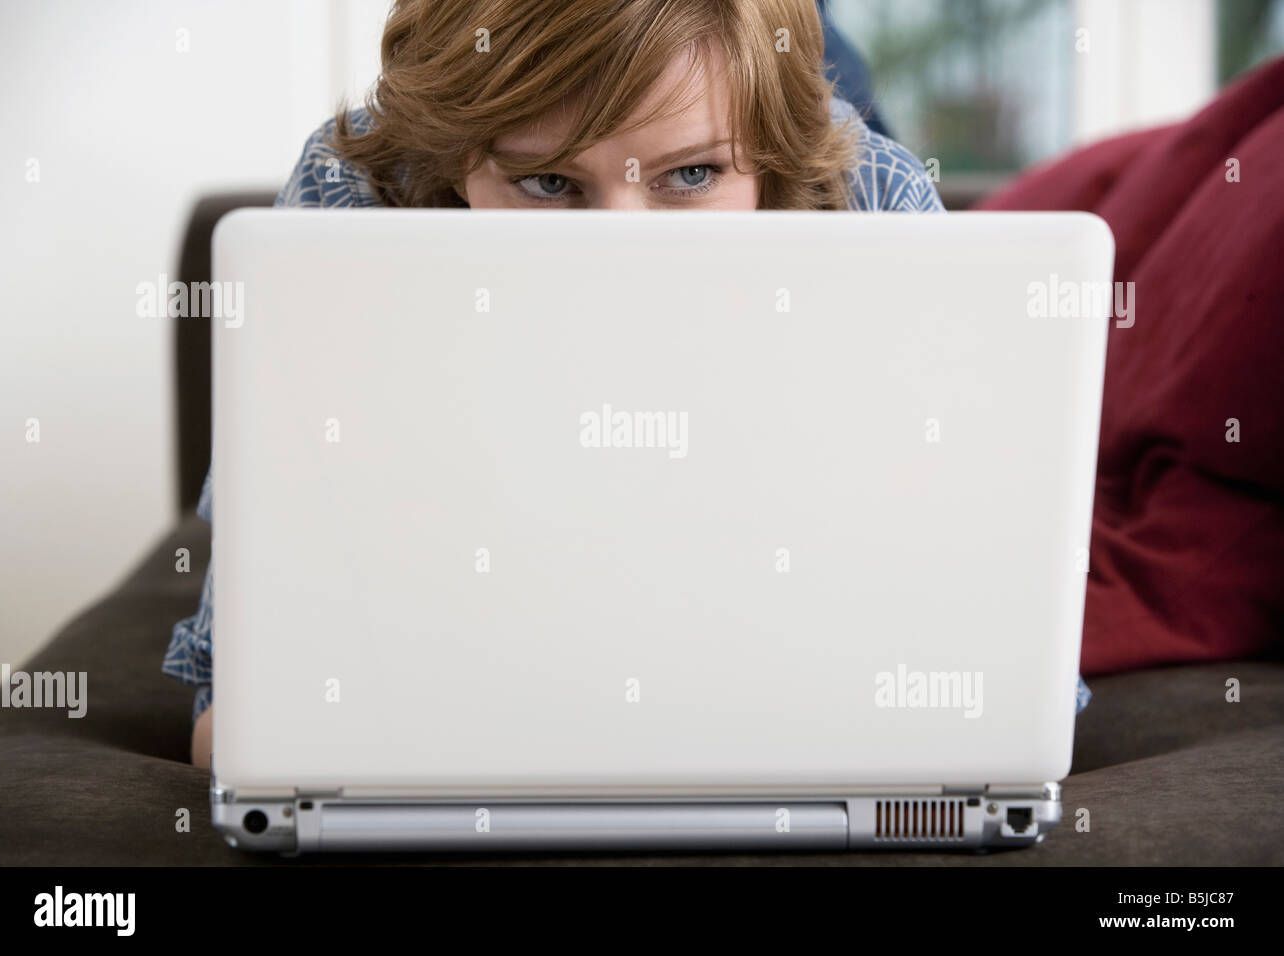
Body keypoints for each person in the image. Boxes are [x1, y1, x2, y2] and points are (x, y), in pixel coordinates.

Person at [166, 0, 1081, 769]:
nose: (620, 255)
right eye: (548, 183)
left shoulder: (868, 194)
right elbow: (233, 722)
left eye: (693, 174)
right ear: (454, 172)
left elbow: (1003, 686)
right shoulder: (357, 197)